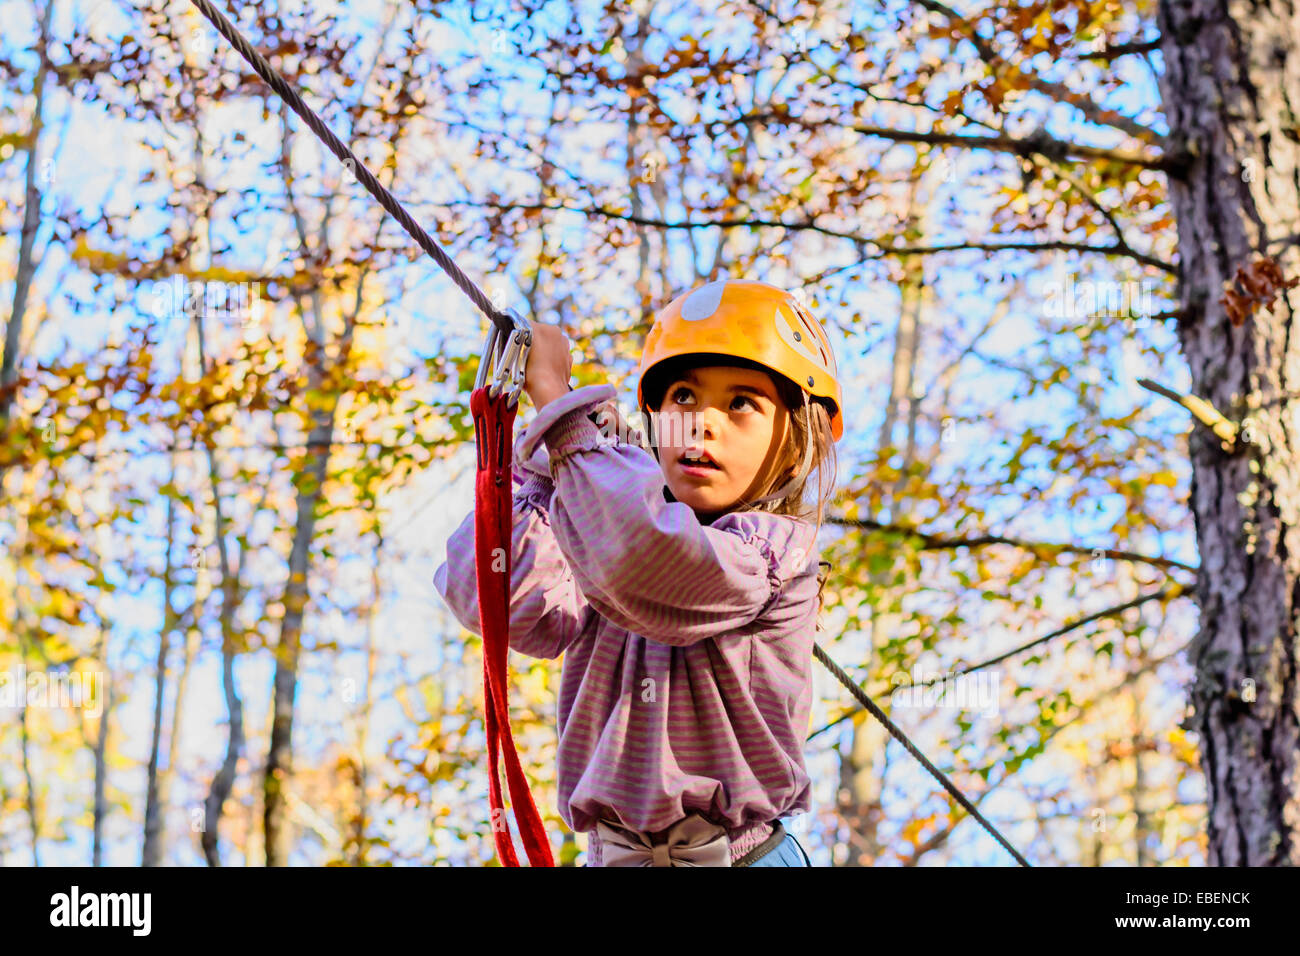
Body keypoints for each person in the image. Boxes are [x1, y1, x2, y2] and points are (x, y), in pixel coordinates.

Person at [434, 278, 844, 866]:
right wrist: (552, 475)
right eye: (682, 397)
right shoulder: (607, 533)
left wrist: (566, 418)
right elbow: (498, 601)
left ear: (801, 439)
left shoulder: (773, 553)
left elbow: (652, 561)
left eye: (741, 403)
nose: (702, 422)